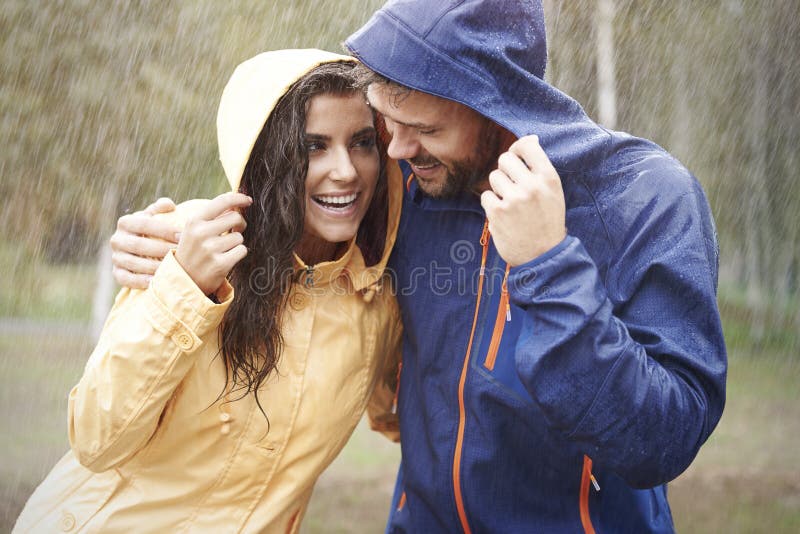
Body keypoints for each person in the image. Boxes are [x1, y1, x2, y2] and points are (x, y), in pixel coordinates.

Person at [110, 1, 728, 532]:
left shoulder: (648, 198)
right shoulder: (410, 184)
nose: (397, 149)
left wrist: (547, 263)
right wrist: (178, 232)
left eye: (422, 128)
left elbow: (663, 440)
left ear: (498, 104)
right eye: (387, 123)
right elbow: (297, 198)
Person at [13, 49, 403, 533]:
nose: (345, 170)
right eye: (313, 147)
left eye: (362, 142)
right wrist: (184, 289)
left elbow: (407, 414)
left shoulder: (378, 302)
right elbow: (96, 440)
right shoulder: (183, 245)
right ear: (269, 159)